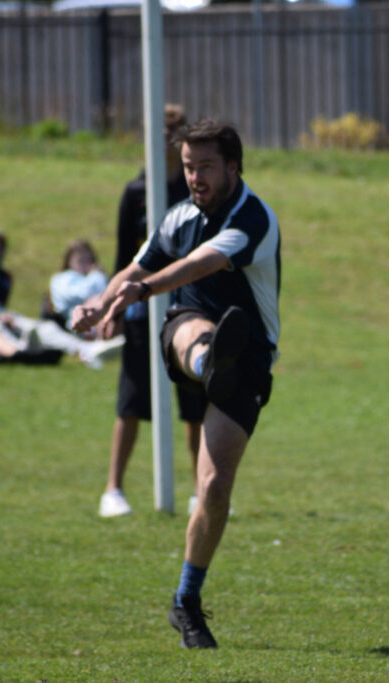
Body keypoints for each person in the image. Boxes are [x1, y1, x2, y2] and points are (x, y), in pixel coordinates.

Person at [73, 119, 280, 649]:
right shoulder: (178, 216)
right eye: (188, 166)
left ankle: (186, 599)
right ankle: (209, 357)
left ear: (234, 167)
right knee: (195, 329)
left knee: (212, 488)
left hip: (251, 359)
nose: (194, 177)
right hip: (186, 329)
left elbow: (196, 265)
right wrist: (101, 302)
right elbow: (137, 265)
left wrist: (140, 292)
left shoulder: (253, 217)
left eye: (206, 166)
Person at [98, 103, 207, 519]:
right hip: (143, 313)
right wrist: (113, 308)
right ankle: (114, 489)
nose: (163, 137)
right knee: (131, 401)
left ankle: (201, 490)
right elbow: (124, 256)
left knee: (195, 404)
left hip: (188, 309)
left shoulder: (194, 192)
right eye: (156, 130)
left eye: (172, 129)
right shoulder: (136, 192)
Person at [0, 225, 121, 367]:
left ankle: (85, 349)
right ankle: (20, 348)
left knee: (45, 328)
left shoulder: (4, 277)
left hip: (1, 317)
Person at [48, 239, 109, 324]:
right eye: (81, 261)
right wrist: (96, 275)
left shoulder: (92, 278)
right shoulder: (62, 279)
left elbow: (107, 294)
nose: (86, 265)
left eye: (89, 260)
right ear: (69, 261)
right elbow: (82, 293)